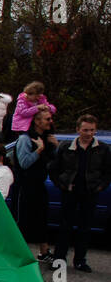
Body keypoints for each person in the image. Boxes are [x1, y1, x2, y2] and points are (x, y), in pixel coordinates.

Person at [49, 115, 110, 273]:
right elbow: (54, 168)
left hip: (90, 192)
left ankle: (80, 260)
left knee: (85, 227)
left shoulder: (102, 149)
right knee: (65, 226)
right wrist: (62, 184)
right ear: (78, 130)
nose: (88, 133)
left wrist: (100, 187)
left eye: (91, 130)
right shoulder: (66, 147)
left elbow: (107, 172)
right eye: (85, 130)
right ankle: (59, 259)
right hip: (70, 191)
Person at [15, 106, 58, 262]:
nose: (50, 122)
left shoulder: (47, 138)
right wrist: (38, 150)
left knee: (41, 218)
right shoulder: (25, 139)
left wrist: (55, 147)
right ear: (37, 121)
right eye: (47, 119)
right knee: (24, 219)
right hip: (25, 186)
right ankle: (17, 254)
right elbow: (24, 163)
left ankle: (44, 252)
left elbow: (54, 162)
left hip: (39, 184)